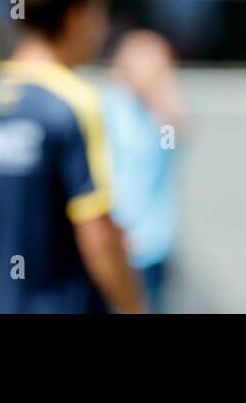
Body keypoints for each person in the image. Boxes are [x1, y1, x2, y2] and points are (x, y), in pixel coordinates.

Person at [0, 0, 148, 313]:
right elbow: (96, 234)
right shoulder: (73, 103)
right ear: (76, 17)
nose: (103, 28)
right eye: (100, 14)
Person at [99, 29, 186, 311]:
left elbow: (180, 131)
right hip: (117, 243)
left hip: (153, 244)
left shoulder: (161, 111)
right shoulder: (108, 106)